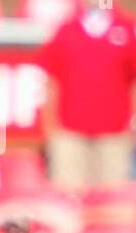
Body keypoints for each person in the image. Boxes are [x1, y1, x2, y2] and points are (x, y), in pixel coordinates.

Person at [39, 0, 136, 190]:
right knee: (68, 198)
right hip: (69, 133)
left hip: (114, 135)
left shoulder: (127, 30)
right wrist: (50, 129)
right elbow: (51, 83)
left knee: (111, 202)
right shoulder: (65, 31)